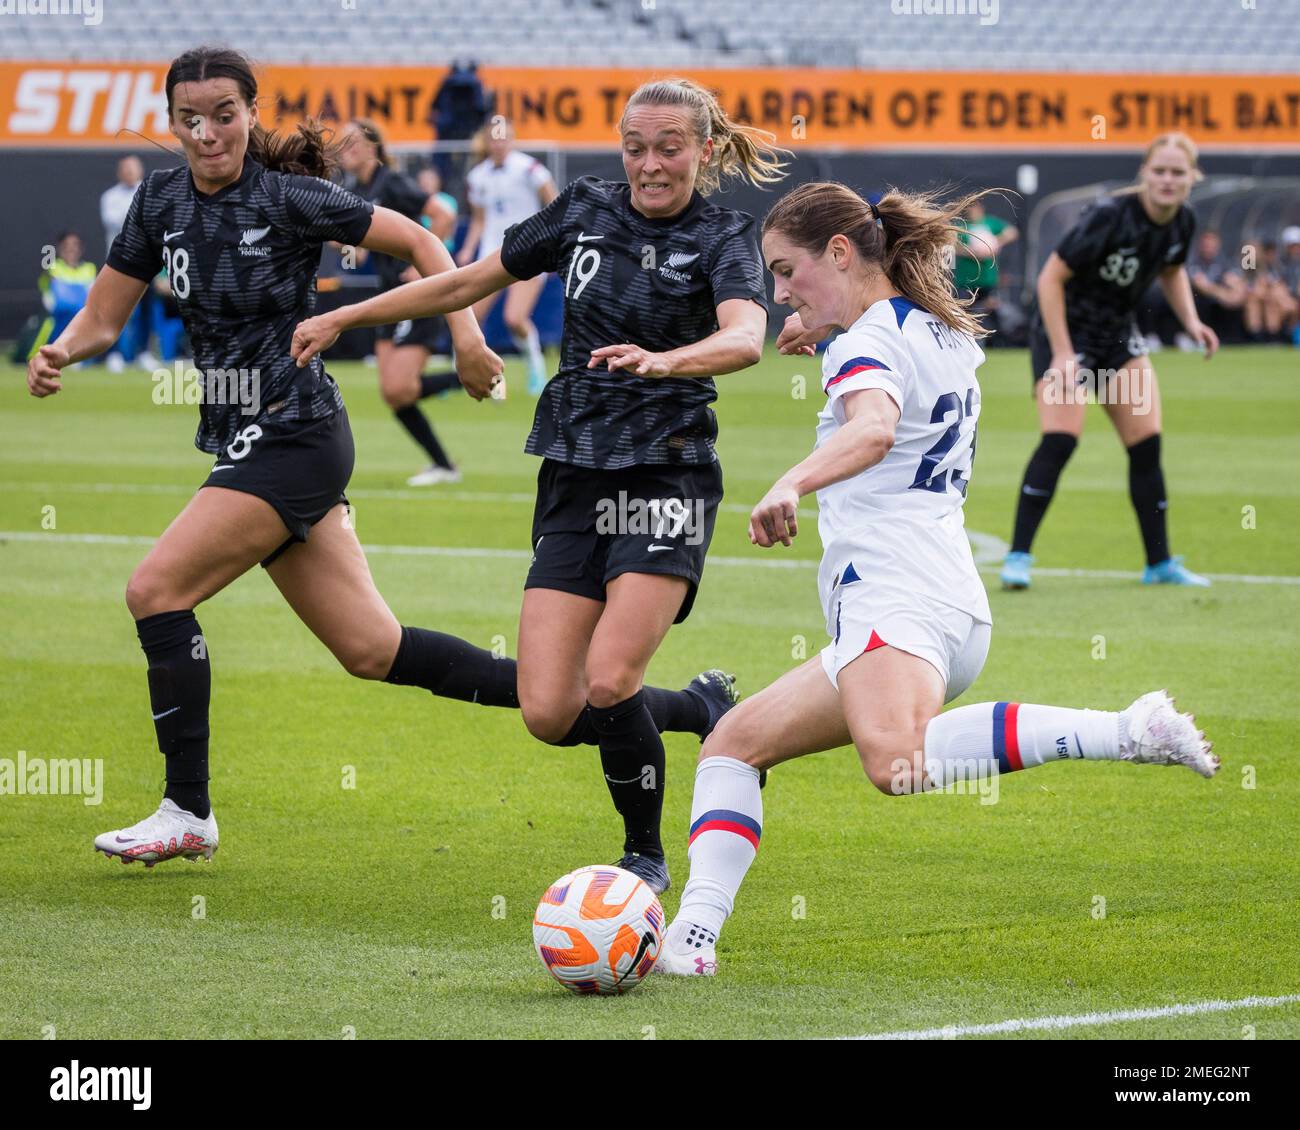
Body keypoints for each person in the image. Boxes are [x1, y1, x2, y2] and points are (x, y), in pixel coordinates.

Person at [654, 181, 1220, 977]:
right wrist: (827, 335)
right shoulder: (936, 329)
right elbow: (898, 395)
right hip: (940, 603)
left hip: (897, 598)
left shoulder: (867, 345)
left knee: (895, 764)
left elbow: (879, 427)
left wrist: (791, 481)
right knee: (733, 744)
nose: (778, 292)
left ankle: (1127, 729)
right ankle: (692, 938)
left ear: (842, 252)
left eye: (787, 271)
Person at [292, 77, 790, 892]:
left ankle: (646, 857)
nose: (650, 164)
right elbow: (466, 280)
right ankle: (700, 709)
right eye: (636, 146)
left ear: (702, 151)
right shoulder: (585, 207)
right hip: (573, 473)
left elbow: (743, 338)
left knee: (611, 678)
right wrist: (347, 316)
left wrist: (665, 359)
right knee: (550, 710)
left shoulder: (724, 233)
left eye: (669, 148)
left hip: (667, 471)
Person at [26, 46, 516, 868]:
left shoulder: (288, 197)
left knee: (155, 591)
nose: (208, 131)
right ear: (173, 121)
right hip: (245, 438)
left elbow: (428, 245)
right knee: (374, 650)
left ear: (251, 113)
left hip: (293, 432)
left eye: (225, 113)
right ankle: (637, 704)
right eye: (191, 116)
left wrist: (466, 341)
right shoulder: (157, 200)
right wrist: (61, 350)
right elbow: (106, 318)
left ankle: (187, 810)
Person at [1000, 132, 1217, 592]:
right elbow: (1050, 280)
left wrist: (1192, 322)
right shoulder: (1110, 216)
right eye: (1159, 170)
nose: (1167, 179)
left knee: (1146, 447)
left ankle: (1158, 564)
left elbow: (1172, 269)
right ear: (1144, 172)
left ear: (1192, 178)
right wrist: (1062, 353)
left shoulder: (1183, 222)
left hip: (1117, 338)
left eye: (1178, 172)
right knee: (1060, 440)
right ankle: (1018, 556)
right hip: (1063, 332)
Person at [337, 118, 466, 485]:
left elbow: (443, 213)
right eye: (342, 145)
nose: (346, 151)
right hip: (387, 295)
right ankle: (443, 465)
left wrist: (420, 264)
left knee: (399, 388)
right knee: (392, 394)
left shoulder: (391, 181)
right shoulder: (355, 189)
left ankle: (468, 376)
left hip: (413, 296)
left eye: (352, 143)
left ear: (373, 148)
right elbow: (359, 252)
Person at [457, 120, 557, 395]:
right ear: (487, 143)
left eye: (504, 139)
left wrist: (548, 241)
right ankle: (465, 375)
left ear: (512, 140)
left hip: (527, 253)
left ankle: (535, 366)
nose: (499, 144)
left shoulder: (529, 169)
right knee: (468, 319)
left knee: (515, 318)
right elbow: (479, 220)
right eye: (494, 139)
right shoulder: (478, 176)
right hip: (492, 254)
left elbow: (554, 204)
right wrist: (468, 249)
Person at [28, 232, 96, 362]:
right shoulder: (53, 267)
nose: (71, 249)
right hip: (57, 319)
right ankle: (40, 356)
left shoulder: (89, 269)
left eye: (75, 245)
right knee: (48, 324)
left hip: (82, 320)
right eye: (67, 245)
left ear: (81, 249)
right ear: (60, 248)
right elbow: (46, 289)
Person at [1185, 229, 1246, 346]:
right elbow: (1201, 285)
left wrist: (1237, 292)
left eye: (1211, 244)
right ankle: (1193, 338)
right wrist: (1224, 295)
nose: (1208, 247)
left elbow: (1234, 280)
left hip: (1218, 301)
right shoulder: (1193, 261)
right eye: (1205, 244)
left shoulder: (1222, 261)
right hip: (1198, 300)